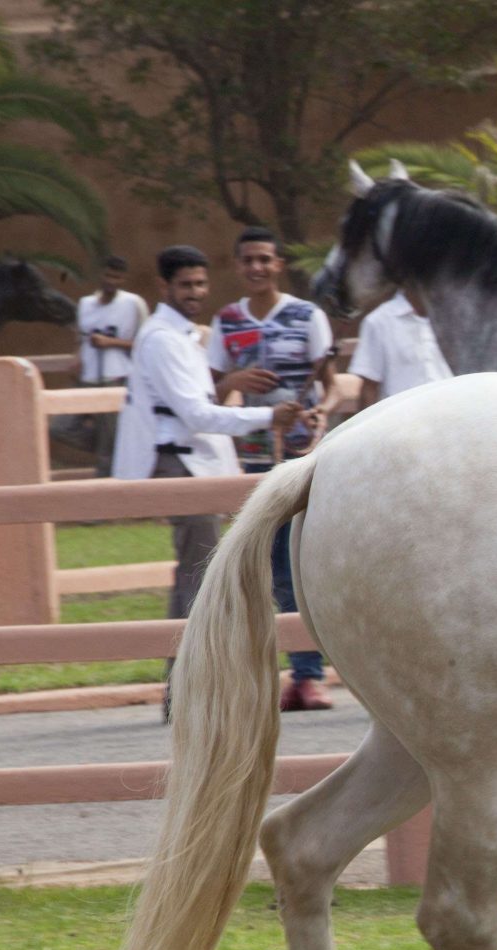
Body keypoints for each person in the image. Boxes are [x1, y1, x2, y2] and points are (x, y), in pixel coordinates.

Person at [113, 245, 300, 709]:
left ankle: (188, 686)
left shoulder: (186, 337)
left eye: (200, 284)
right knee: (197, 575)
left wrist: (238, 393)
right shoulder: (161, 338)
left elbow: (201, 405)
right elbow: (196, 415)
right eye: (185, 285)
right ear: (163, 287)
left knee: (200, 573)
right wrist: (265, 417)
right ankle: (184, 690)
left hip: (195, 459)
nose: (195, 293)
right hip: (181, 462)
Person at [206, 226, 336, 711]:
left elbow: (331, 383)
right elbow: (213, 394)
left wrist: (324, 414)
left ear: (278, 264)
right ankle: (294, 674)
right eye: (248, 261)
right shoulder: (226, 321)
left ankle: (306, 674)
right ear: (238, 266)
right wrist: (234, 380)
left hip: (305, 453)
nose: (257, 268)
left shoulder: (308, 316)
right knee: (268, 566)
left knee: (298, 560)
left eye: (265, 259)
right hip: (252, 459)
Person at [74, 254, 148, 477]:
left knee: (106, 448)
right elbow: (81, 339)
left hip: (116, 377)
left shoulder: (132, 304)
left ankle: (104, 499)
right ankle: (117, 447)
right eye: (108, 275)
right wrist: (76, 358)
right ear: (100, 274)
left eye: (117, 277)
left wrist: (110, 343)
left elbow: (145, 344)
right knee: (62, 427)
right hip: (87, 379)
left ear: (123, 279)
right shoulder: (86, 304)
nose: (111, 281)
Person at [349, 288, 452, 409]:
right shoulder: (379, 321)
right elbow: (369, 387)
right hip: (403, 419)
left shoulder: (454, 315)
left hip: (449, 416)